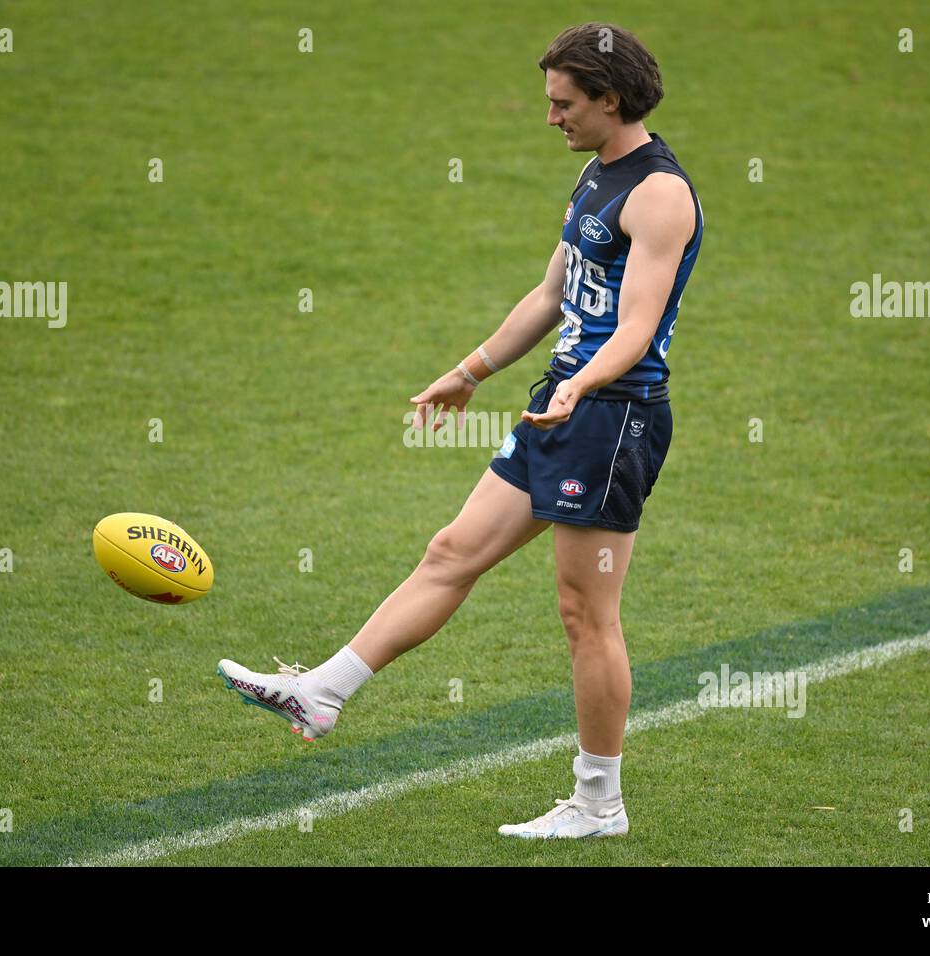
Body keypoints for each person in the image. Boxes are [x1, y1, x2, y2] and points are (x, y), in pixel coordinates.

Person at [219, 21, 703, 840]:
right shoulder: (595, 176)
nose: (550, 117)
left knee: (587, 615)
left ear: (609, 99)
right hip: (564, 404)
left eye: (563, 104)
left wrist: (581, 383)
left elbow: (637, 325)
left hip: (611, 421)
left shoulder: (659, 192)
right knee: (453, 551)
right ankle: (322, 692)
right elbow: (552, 296)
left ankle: (598, 803)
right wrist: (471, 370)